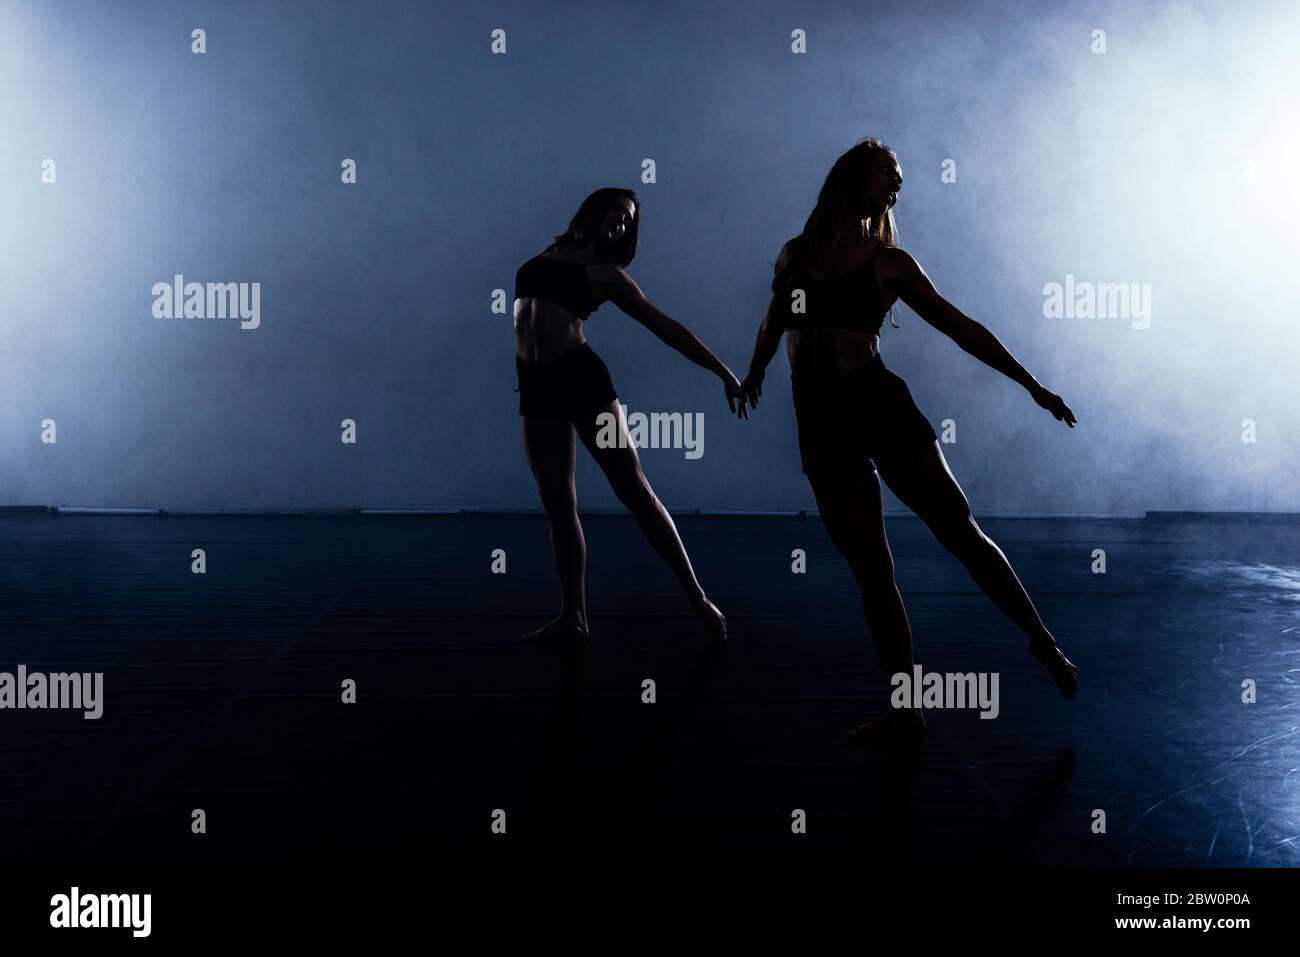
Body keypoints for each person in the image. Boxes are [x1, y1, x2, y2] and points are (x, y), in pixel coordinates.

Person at [738, 139, 1079, 738]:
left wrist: (1033, 385)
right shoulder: (796, 255)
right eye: (887, 174)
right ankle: (905, 708)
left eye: (899, 180)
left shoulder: (889, 263)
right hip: (818, 417)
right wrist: (756, 371)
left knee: (959, 532)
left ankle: (1040, 638)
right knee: (873, 570)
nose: (896, 186)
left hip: (877, 404)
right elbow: (776, 319)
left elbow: (962, 328)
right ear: (852, 176)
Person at [515, 187, 744, 643]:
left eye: (627, 221)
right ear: (593, 210)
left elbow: (667, 328)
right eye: (616, 214)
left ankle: (697, 597)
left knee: (636, 492)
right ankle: (574, 617)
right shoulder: (548, 254)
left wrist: (723, 372)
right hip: (536, 388)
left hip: (582, 382)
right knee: (558, 504)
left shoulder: (606, 276)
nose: (619, 224)